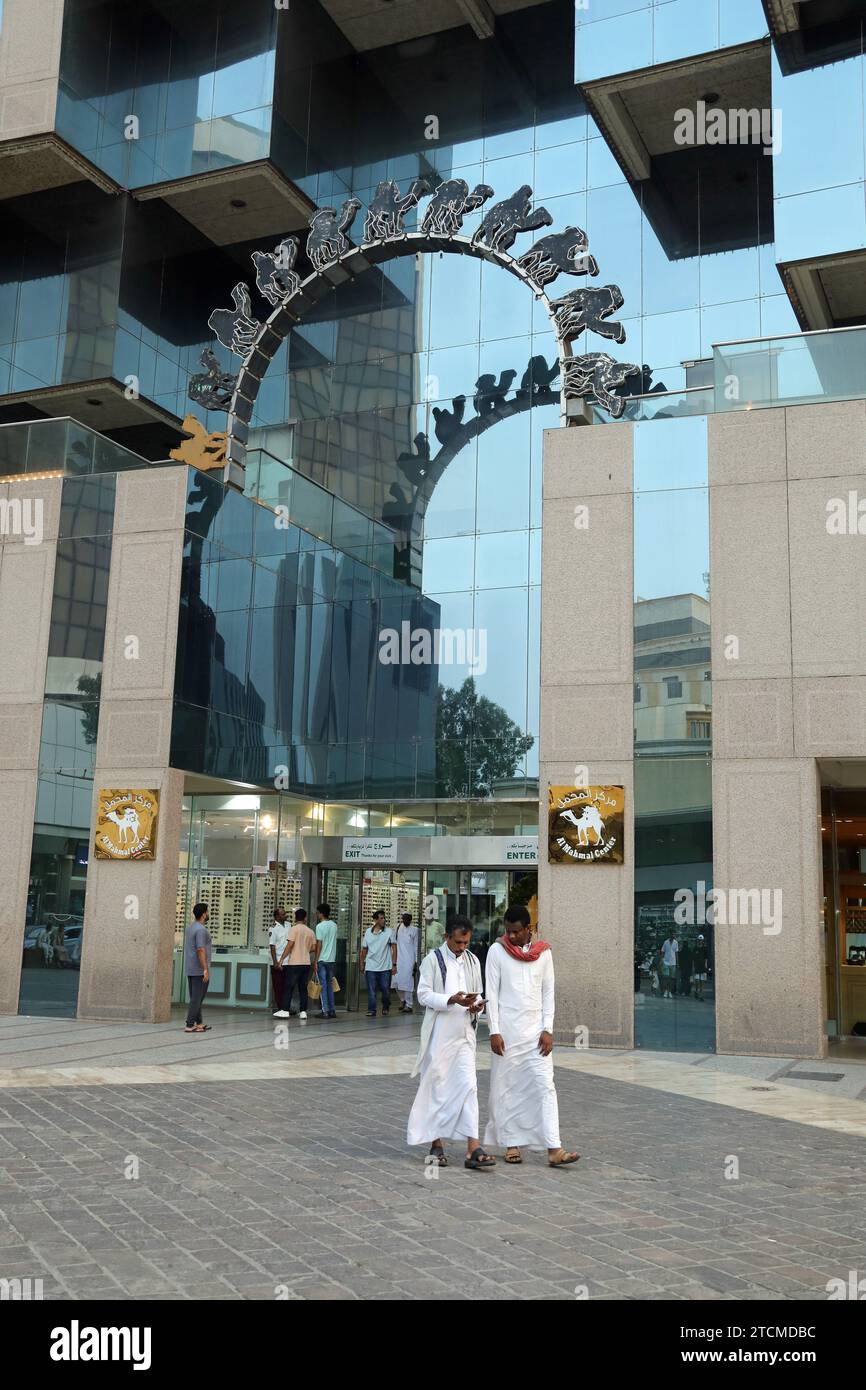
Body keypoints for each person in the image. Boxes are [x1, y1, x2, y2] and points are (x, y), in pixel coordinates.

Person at [484, 904, 579, 1168]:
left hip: (537, 1035)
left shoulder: (544, 954)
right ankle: (511, 1143)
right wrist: (494, 1030)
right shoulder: (496, 951)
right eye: (508, 931)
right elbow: (490, 993)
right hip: (507, 1034)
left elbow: (548, 993)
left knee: (545, 1086)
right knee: (507, 1088)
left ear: (529, 929)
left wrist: (548, 1029)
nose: (511, 937)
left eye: (516, 932)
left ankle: (554, 1148)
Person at [407, 915, 496, 1171]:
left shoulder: (472, 960)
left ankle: (473, 1147)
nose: (462, 947)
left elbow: (477, 992)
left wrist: (475, 1004)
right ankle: (436, 1144)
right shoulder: (432, 960)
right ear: (447, 937)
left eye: (466, 942)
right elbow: (423, 994)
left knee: (469, 1087)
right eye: (458, 942)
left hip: (464, 1036)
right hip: (439, 1037)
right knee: (437, 1088)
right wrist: (451, 1000)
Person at [279, 908, 317, 1019]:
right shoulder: (310, 931)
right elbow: (314, 947)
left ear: (296, 918)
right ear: (305, 918)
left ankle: (285, 1009)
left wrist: (282, 959)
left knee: (289, 987)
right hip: (306, 963)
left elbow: (290, 945)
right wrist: (305, 950)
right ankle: (303, 1011)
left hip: (294, 963)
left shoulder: (293, 929)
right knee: (302, 988)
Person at [361, 909, 396, 1017]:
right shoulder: (368, 932)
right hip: (371, 966)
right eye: (381, 918)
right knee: (371, 990)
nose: (383, 920)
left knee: (385, 989)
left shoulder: (389, 932)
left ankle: (386, 1006)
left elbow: (394, 948)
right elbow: (364, 949)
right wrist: (361, 963)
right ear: (375, 920)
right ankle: (372, 1010)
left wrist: (394, 964)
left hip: (385, 967)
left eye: (384, 918)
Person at [184, 902, 212, 1034]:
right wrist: (205, 969)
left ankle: (199, 1023)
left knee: (196, 997)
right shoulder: (201, 930)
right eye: (207, 911)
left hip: (191, 968)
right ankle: (190, 1024)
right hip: (199, 969)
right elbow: (201, 949)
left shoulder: (191, 928)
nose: (208, 914)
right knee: (197, 998)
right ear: (203, 914)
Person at [314, 902, 338, 1019]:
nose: (317, 915)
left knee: (323, 986)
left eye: (318, 913)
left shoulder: (319, 927)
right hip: (331, 959)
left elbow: (319, 944)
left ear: (321, 913)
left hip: (322, 959)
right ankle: (332, 1010)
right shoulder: (334, 925)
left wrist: (315, 961)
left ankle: (325, 1011)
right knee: (330, 985)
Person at [394, 911, 419, 1013]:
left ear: (411, 919)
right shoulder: (398, 927)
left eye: (408, 919)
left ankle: (409, 1005)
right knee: (395, 982)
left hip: (409, 960)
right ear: (402, 918)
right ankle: (402, 1000)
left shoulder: (415, 930)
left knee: (408, 984)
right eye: (404, 918)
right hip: (398, 960)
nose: (406, 920)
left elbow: (416, 946)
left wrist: (416, 962)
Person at [270, 906, 290, 1019]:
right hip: (277, 962)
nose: (285, 915)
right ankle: (280, 1008)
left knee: (287, 986)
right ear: (277, 916)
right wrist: (275, 963)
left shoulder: (289, 925)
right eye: (282, 914)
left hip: (288, 961)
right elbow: (272, 946)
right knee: (278, 987)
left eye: (285, 913)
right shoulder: (273, 928)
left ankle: (286, 1007)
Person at [661, 930, 679, 999]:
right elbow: (662, 951)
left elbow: (676, 953)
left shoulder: (676, 942)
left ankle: (670, 991)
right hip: (666, 962)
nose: (673, 935)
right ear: (670, 934)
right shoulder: (665, 942)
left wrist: (677, 963)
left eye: (674, 934)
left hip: (673, 963)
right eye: (672, 934)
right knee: (666, 978)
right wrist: (662, 961)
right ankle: (666, 991)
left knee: (671, 979)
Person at [692, 933, 708, 1001]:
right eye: (699, 940)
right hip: (697, 967)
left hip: (702, 967)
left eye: (701, 940)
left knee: (702, 981)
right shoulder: (695, 948)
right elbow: (693, 958)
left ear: (703, 941)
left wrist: (706, 964)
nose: (700, 941)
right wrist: (693, 966)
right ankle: (696, 991)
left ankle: (701, 996)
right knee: (697, 981)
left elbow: (706, 958)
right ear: (697, 940)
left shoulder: (704, 948)